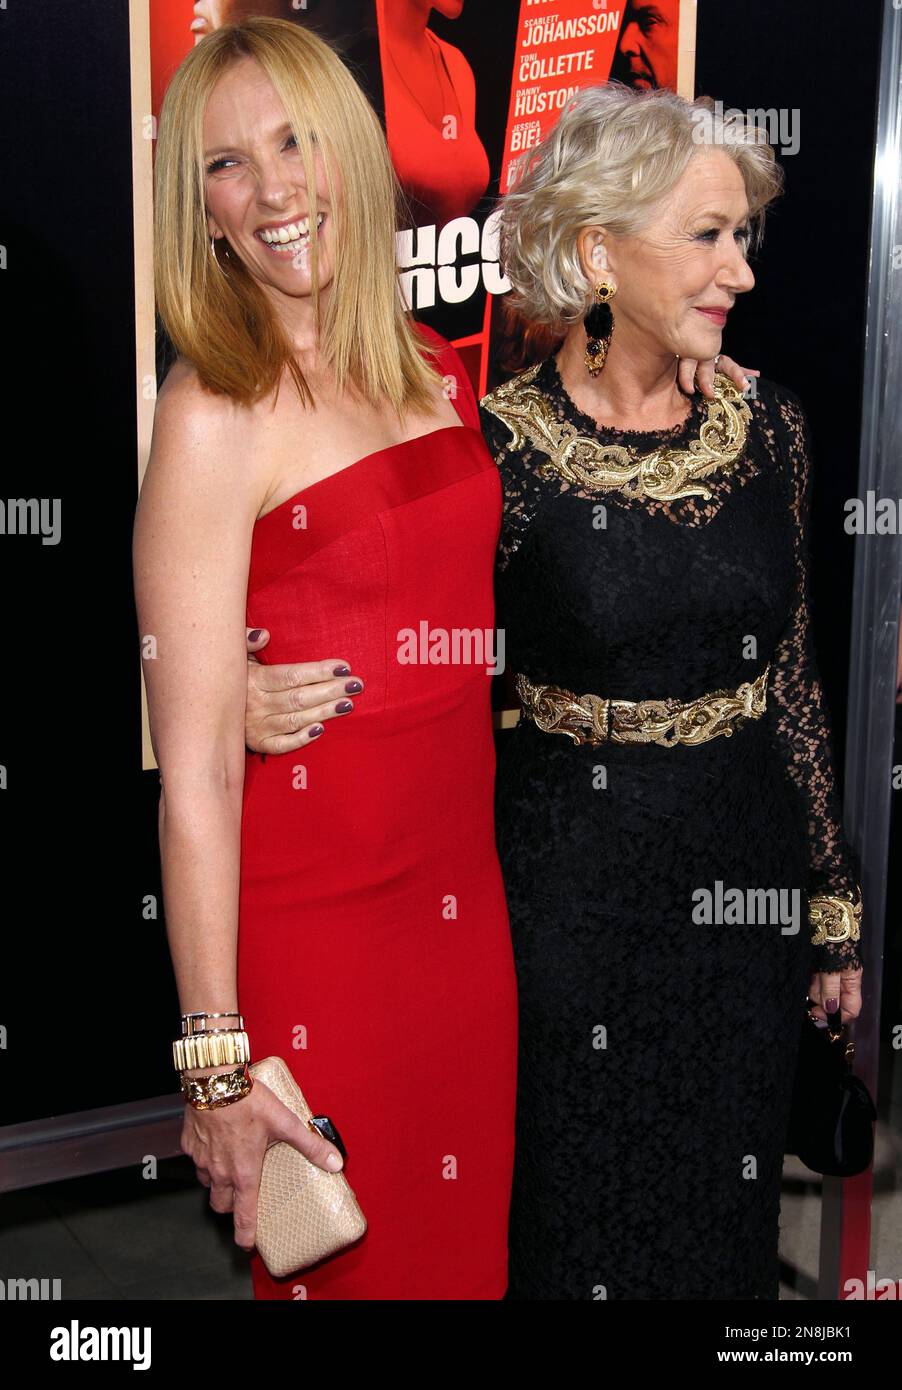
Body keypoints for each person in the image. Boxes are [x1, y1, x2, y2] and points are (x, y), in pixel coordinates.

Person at [242, 83, 865, 1300]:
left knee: (719, 1211)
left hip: (739, 889)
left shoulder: (772, 427)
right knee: (568, 1212)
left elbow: (788, 670)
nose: (736, 270)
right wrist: (228, 681)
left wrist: (829, 895)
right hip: (563, 902)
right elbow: (384, 613)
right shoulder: (497, 448)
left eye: (743, 236)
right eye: (704, 235)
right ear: (594, 251)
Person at [134, 17, 518, 1300]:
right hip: (321, 952)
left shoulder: (423, 367)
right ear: (201, 215)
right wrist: (215, 1067)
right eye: (226, 166)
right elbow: (192, 779)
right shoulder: (210, 413)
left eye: (296, 138)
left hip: (465, 932)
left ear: (353, 147)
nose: (275, 187)